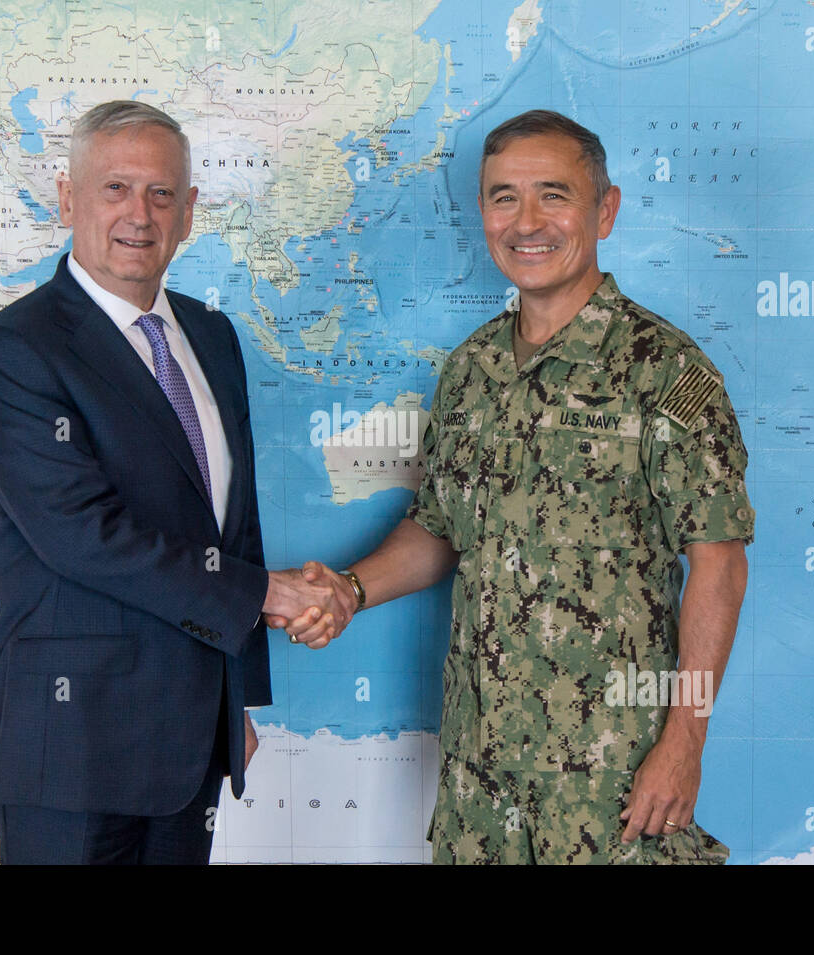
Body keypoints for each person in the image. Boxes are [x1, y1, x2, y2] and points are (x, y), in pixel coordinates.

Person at [273, 109, 753, 864]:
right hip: (480, 786)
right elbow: (440, 531)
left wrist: (684, 741)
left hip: (611, 783)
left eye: (553, 195)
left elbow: (719, 563)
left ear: (606, 209)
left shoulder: (667, 372)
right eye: (504, 197)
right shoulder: (470, 373)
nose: (526, 222)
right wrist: (347, 590)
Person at [0, 100, 335, 864]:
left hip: (189, 743)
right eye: (115, 189)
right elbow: (84, 538)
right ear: (69, 198)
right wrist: (265, 592)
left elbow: (228, 526)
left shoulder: (212, 335)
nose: (140, 213)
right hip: (70, 755)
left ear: (190, 210)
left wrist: (232, 701)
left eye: (162, 193)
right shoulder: (13, 352)